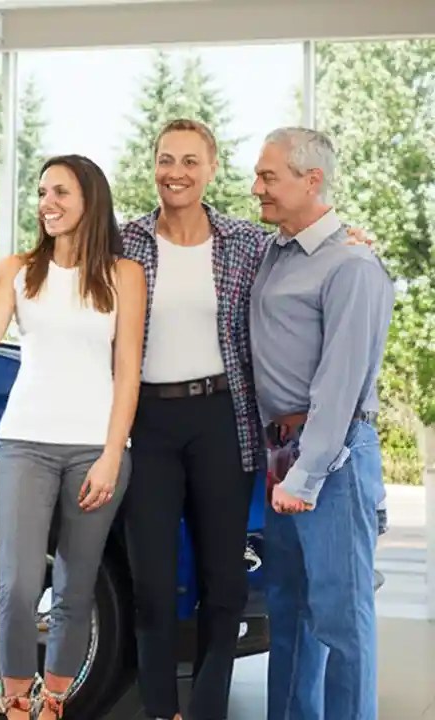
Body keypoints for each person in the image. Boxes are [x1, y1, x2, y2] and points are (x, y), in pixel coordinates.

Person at [0, 154, 146, 720]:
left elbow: (128, 373)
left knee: (76, 589)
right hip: (25, 442)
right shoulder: (20, 270)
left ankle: (54, 703)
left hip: (95, 451)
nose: (47, 203)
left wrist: (110, 454)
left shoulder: (125, 275)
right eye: (43, 192)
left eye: (61, 193)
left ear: (89, 201)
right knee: (20, 587)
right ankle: (16, 703)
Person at [117, 119, 271, 720]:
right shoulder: (125, 241)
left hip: (220, 417)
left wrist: (352, 241)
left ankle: (206, 709)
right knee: (152, 583)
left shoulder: (244, 241)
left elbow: (305, 263)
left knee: (224, 584)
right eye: (164, 160)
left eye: (188, 161)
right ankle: (160, 709)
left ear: (210, 169)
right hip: (148, 421)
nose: (174, 172)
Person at [250, 127, 393, 720]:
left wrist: (304, 477)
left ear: (313, 181)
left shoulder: (353, 266)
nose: (256, 187)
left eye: (268, 177)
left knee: (341, 620)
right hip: (282, 453)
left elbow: (340, 386)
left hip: (328, 460)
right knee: (290, 615)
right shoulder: (272, 251)